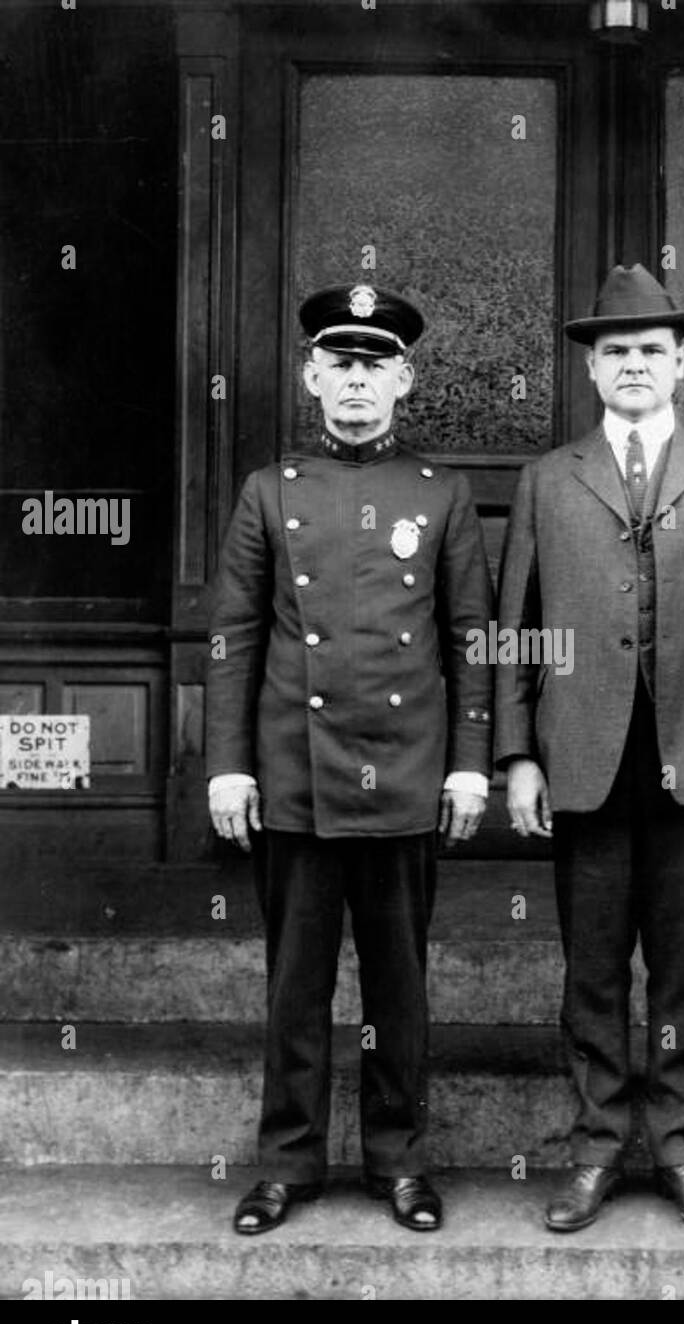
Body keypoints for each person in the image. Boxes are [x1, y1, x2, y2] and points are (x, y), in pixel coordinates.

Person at [495, 264, 684, 1233]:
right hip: (582, 753)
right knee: (589, 968)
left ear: (681, 364)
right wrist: (516, 756)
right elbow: (517, 629)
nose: (632, 366)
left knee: (680, 968)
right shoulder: (548, 479)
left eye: (650, 352)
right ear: (590, 368)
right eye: (615, 351)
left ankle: (678, 1151)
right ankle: (592, 1148)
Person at [206, 283, 494, 1234]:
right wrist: (227, 765)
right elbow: (235, 640)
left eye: (375, 369)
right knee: (294, 985)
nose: (357, 386)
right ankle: (288, 1164)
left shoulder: (442, 494)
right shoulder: (268, 491)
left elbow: (470, 639)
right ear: (311, 377)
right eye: (340, 367)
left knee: (398, 985)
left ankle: (399, 1160)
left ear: (404, 380)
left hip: (408, 774)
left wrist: (470, 763)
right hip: (296, 776)